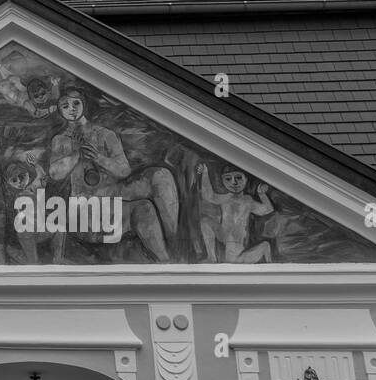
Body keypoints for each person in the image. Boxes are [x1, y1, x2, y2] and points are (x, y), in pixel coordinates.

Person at [46, 87, 179, 261]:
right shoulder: (60, 140)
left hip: (112, 191)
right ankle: (165, 260)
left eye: (76, 103)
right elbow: (55, 173)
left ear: (84, 105)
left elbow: (124, 170)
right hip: (86, 203)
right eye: (65, 105)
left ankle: (174, 243)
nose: (71, 108)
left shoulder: (105, 134)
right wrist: (77, 154)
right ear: (59, 110)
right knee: (144, 209)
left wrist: (99, 158)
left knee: (161, 176)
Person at [199, 167, 273, 262]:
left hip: (237, 241)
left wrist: (261, 194)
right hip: (223, 234)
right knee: (205, 222)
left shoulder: (247, 201)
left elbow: (268, 209)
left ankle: (269, 265)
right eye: (228, 179)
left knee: (264, 246)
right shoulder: (225, 198)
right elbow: (208, 196)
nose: (234, 183)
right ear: (222, 180)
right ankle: (211, 257)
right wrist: (205, 174)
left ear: (246, 180)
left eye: (238, 178)